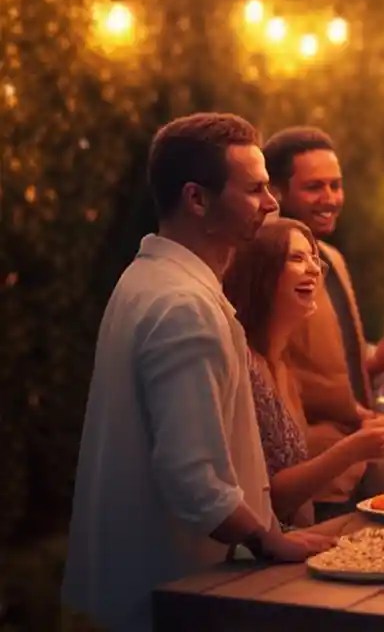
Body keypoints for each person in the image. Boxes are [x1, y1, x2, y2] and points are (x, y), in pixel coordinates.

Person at [63, 113, 332, 631]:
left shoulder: (148, 279)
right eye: (254, 189)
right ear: (197, 199)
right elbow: (193, 478)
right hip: (176, 597)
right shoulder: (183, 306)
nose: (272, 203)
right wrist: (269, 540)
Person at [262, 126, 384, 518]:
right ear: (276, 192)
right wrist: (357, 419)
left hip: (360, 458)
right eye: (314, 187)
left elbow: (333, 367)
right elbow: (272, 369)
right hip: (311, 469)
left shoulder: (333, 259)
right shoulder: (263, 267)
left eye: (335, 185)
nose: (329, 198)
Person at [223, 219, 384, 527]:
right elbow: (269, 497)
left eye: (314, 259)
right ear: (262, 275)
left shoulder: (284, 369)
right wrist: (353, 449)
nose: (313, 269)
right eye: (297, 258)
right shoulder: (246, 367)